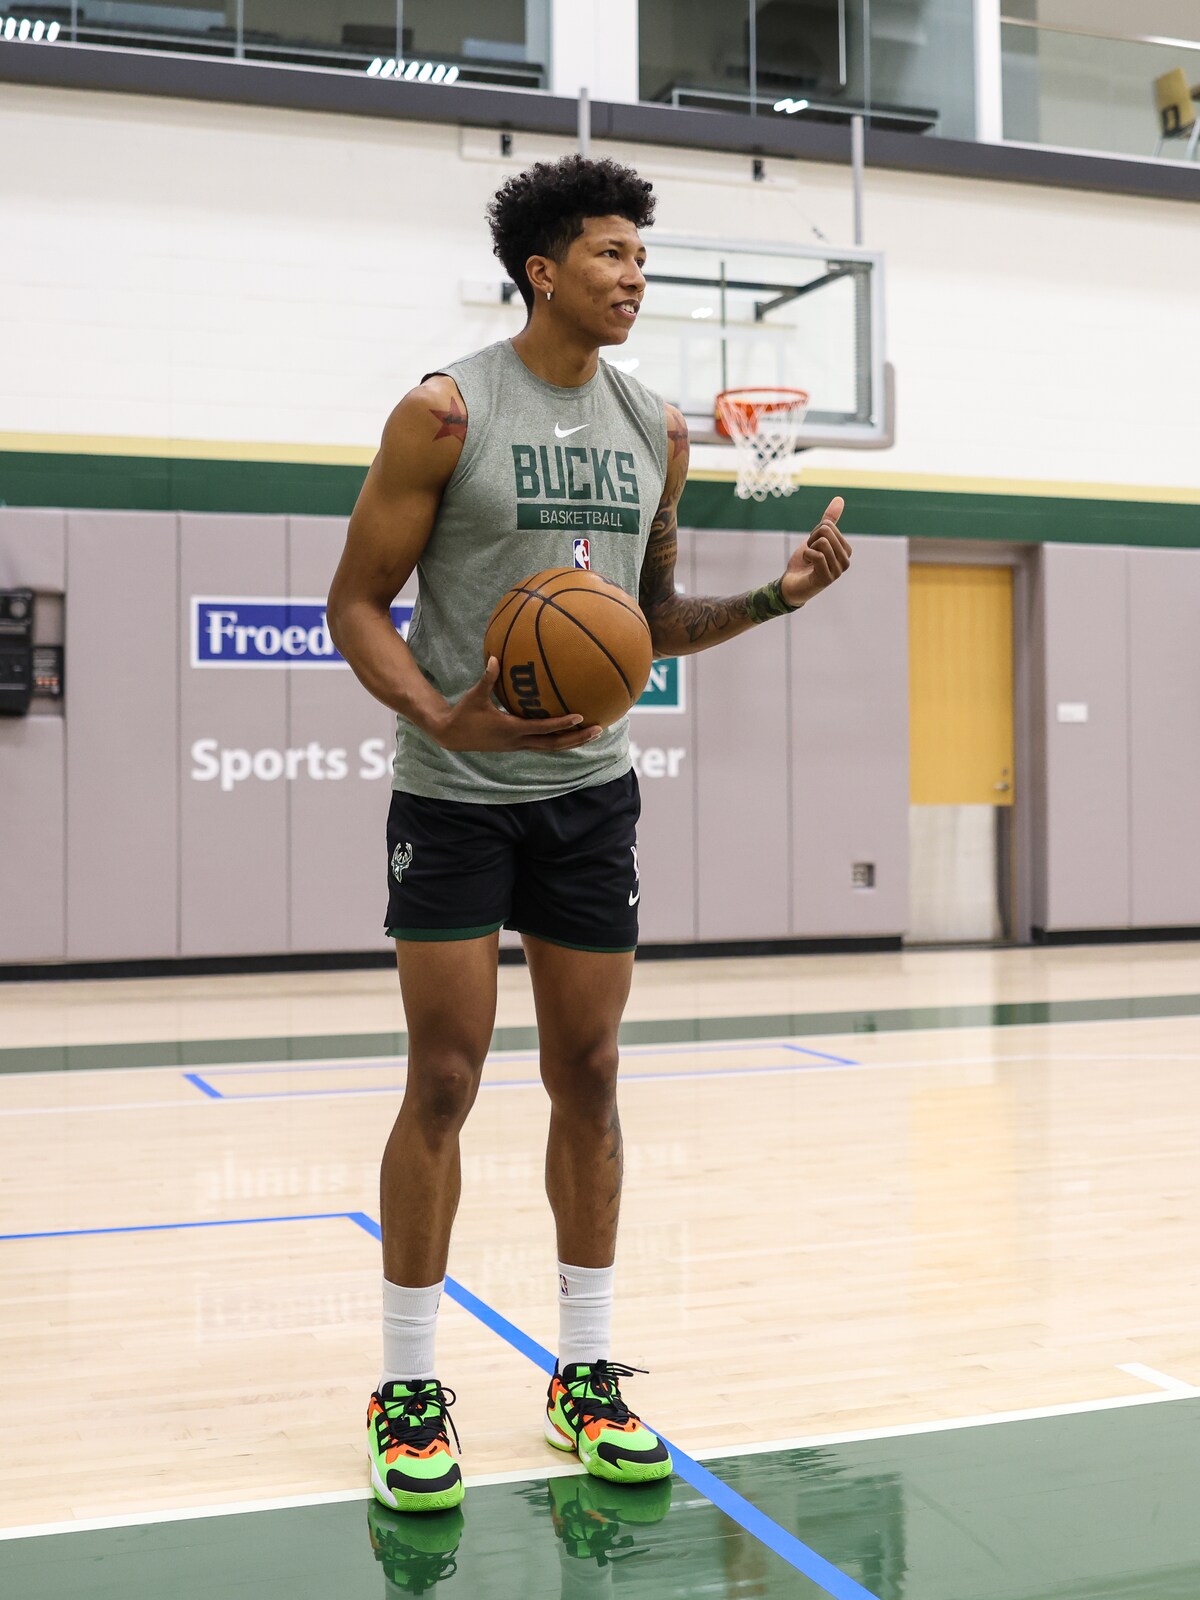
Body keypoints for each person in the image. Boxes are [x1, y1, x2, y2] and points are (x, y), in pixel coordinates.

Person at [327, 155, 852, 1516]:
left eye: (643, 258)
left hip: (591, 797)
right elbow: (354, 604)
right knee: (442, 1080)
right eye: (613, 255)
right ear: (543, 271)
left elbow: (644, 624)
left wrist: (776, 600)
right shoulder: (445, 414)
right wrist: (449, 713)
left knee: (595, 1075)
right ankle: (405, 1387)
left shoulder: (655, 427)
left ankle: (588, 1370)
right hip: (453, 793)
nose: (634, 278)